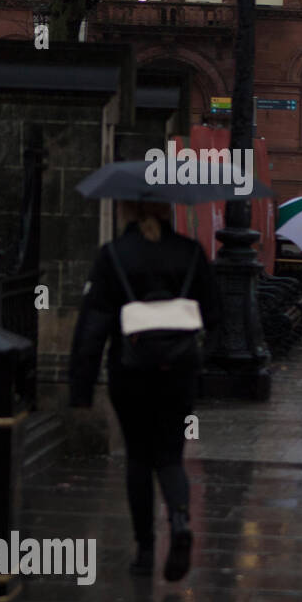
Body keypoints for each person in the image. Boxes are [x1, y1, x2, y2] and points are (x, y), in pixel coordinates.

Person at [68, 201, 221, 581]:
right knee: (170, 454)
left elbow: (92, 328)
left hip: (130, 371)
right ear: (167, 211)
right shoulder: (189, 252)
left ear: (129, 212)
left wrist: (81, 389)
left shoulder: (114, 255)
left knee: (138, 457)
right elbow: (217, 315)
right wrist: (199, 358)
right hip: (179, 371)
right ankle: (181, 520)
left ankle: (145, 550)